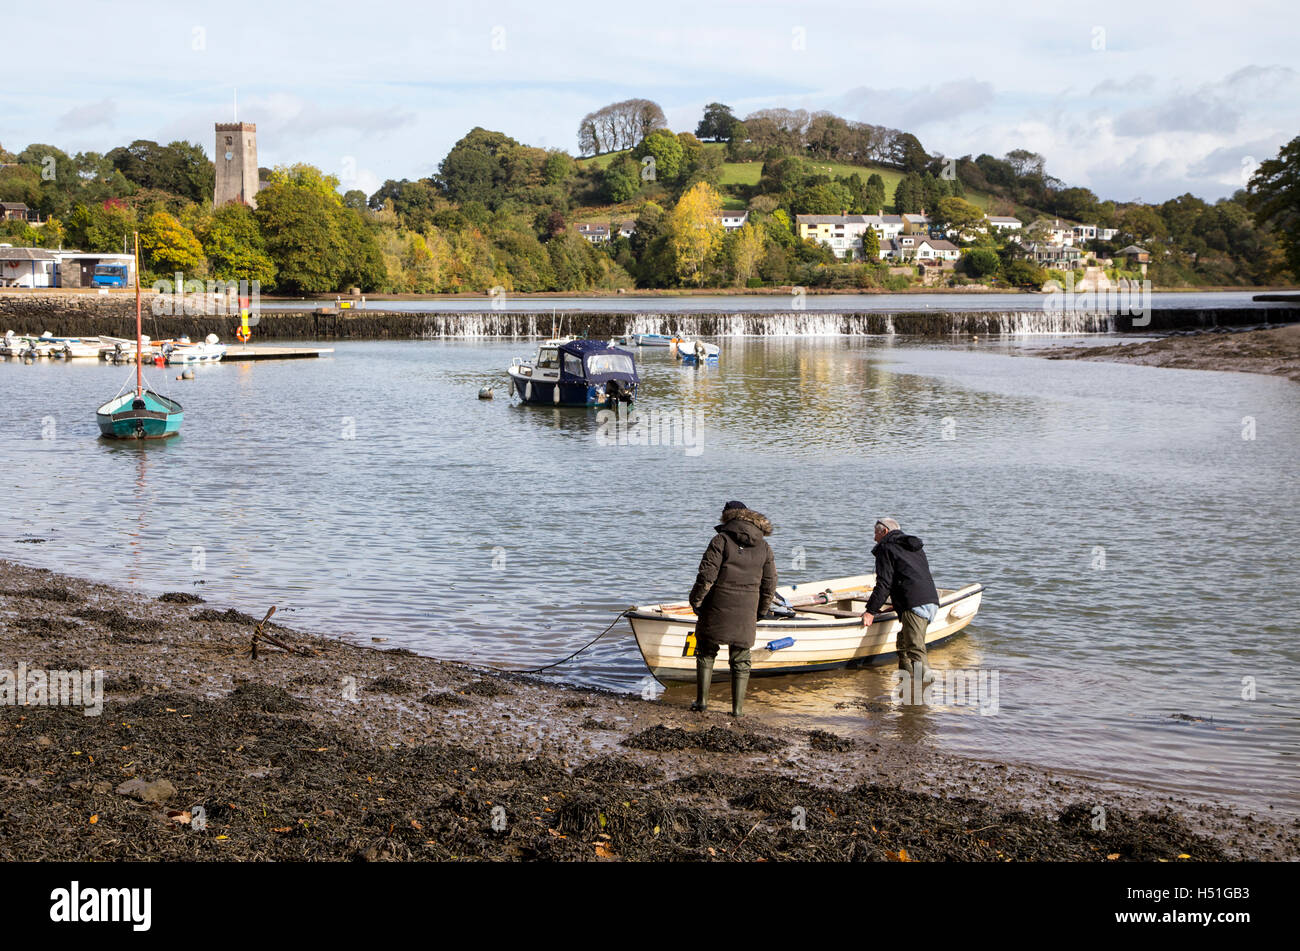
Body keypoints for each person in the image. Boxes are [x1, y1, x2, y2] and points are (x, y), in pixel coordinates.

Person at [688, 501, 777, 716]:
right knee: (741, 659)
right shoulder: (764, 546)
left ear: (727, 517)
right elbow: (770, 582)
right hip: (747, 608)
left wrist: (696, 601)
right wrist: (761, 611)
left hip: (717, 605)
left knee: (706, 652)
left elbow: (706, 576)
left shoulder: (720, 540)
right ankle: (737, 710)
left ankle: (702, 703)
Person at [860, 518, 940, 683]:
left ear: (885, 532)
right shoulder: (911, 546)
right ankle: (907, 682)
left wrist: (870, 611)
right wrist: (896, 606)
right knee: (903, 643)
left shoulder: (886, 548)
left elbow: (884, 584)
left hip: (915, 604)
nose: (874, 538)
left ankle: (924, 690)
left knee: (915, 649)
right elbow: (909, 576)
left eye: (876, 533)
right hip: (930, 600)